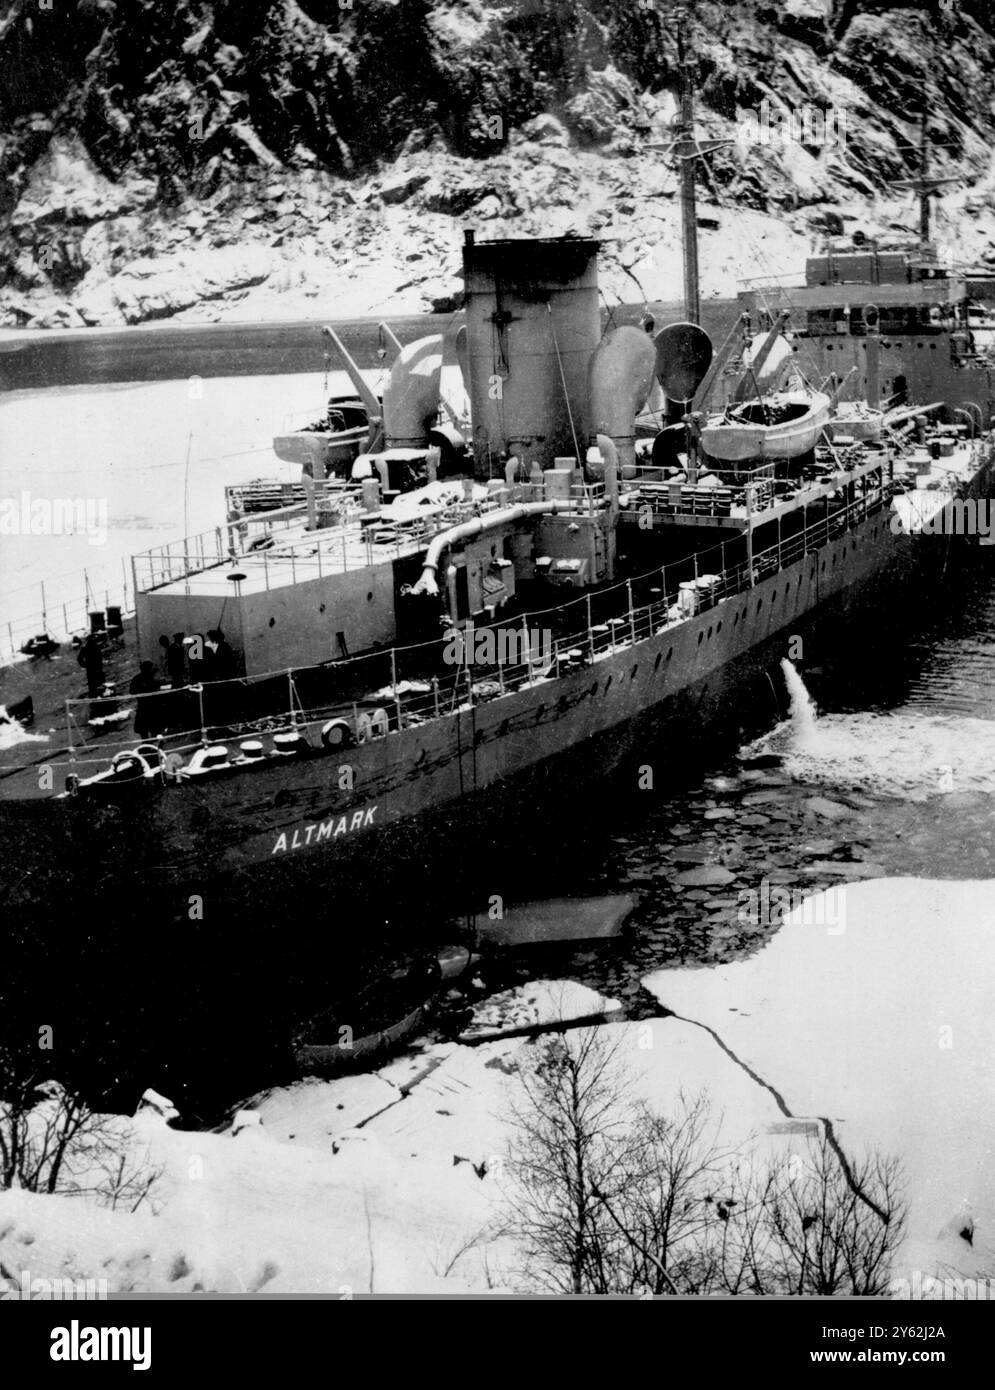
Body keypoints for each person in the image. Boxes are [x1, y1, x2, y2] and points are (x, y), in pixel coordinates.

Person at [129, 661, 161, 738]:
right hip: (146, 705)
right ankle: (150, 743)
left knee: (148, 729)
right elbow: (133, 691)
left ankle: (149, 743)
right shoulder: (144, 678)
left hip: (146, 705)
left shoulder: (140, 678)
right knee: (148, 728)